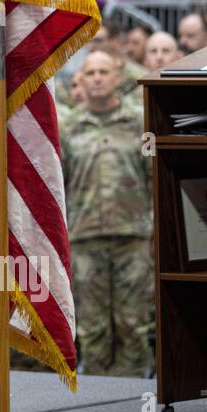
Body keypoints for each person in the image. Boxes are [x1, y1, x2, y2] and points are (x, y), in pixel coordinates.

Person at [61, 49, 153, 377]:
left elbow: (153, 178)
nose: (97, 78)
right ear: (80, 80)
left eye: (104, 72)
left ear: (117, 78)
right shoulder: (67, 128)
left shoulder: (141, 122)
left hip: (134, 238)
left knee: (134, 325)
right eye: (91, 73)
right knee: (93, 327)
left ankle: (129, 396)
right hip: (85, 238)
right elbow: (60, 183)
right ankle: (100, 399)